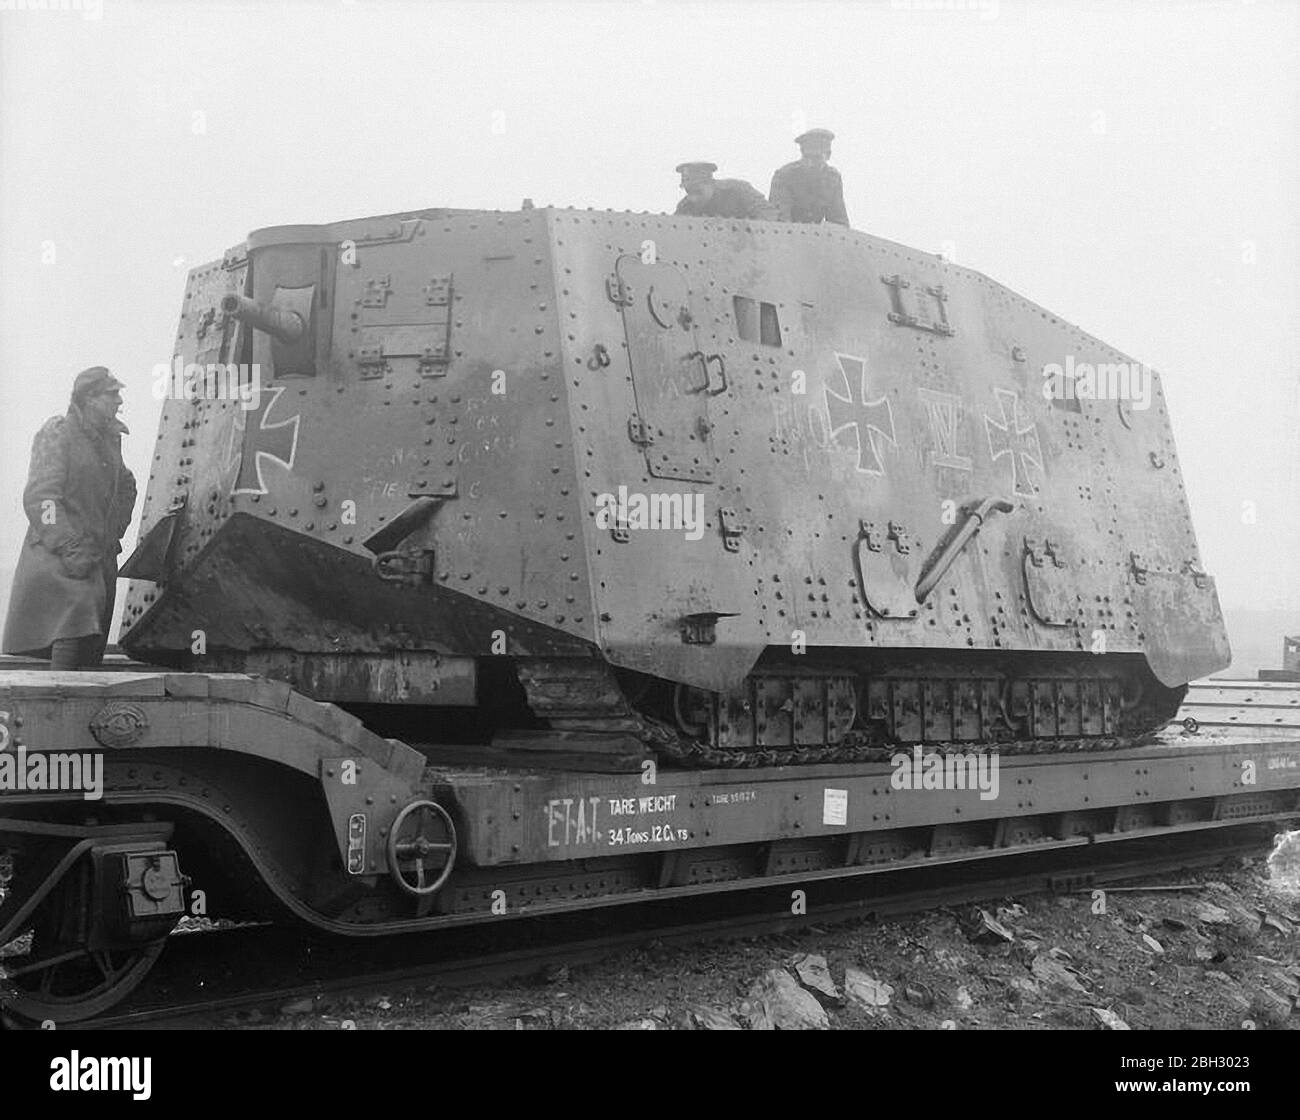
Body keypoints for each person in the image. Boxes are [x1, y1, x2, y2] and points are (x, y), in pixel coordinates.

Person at [2, 366, 137, 669]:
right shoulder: (59, 434)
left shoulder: (109, 439)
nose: (119, 402)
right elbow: (42, 499)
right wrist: (69, 544)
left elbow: (127, 484)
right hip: (59, 558)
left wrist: (114, 530)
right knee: (74, 619)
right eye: (112, 394)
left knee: (90, 644)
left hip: (96, 557)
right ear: (89, 398)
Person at [769, 128, 850, 226]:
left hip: (816, 236)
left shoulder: (832, 179)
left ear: (828, 156)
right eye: (807, 157)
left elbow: (839, 221)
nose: (810, 164)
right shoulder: (784, 176)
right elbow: (780, 220)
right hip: (787, 235)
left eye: (816, 158)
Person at [674, 161, 775, 220]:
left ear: (710, 183)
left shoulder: (738, 190)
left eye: (697, 192)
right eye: (689, 192)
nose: (693, 199)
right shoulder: (685, 206)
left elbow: (769, 216)